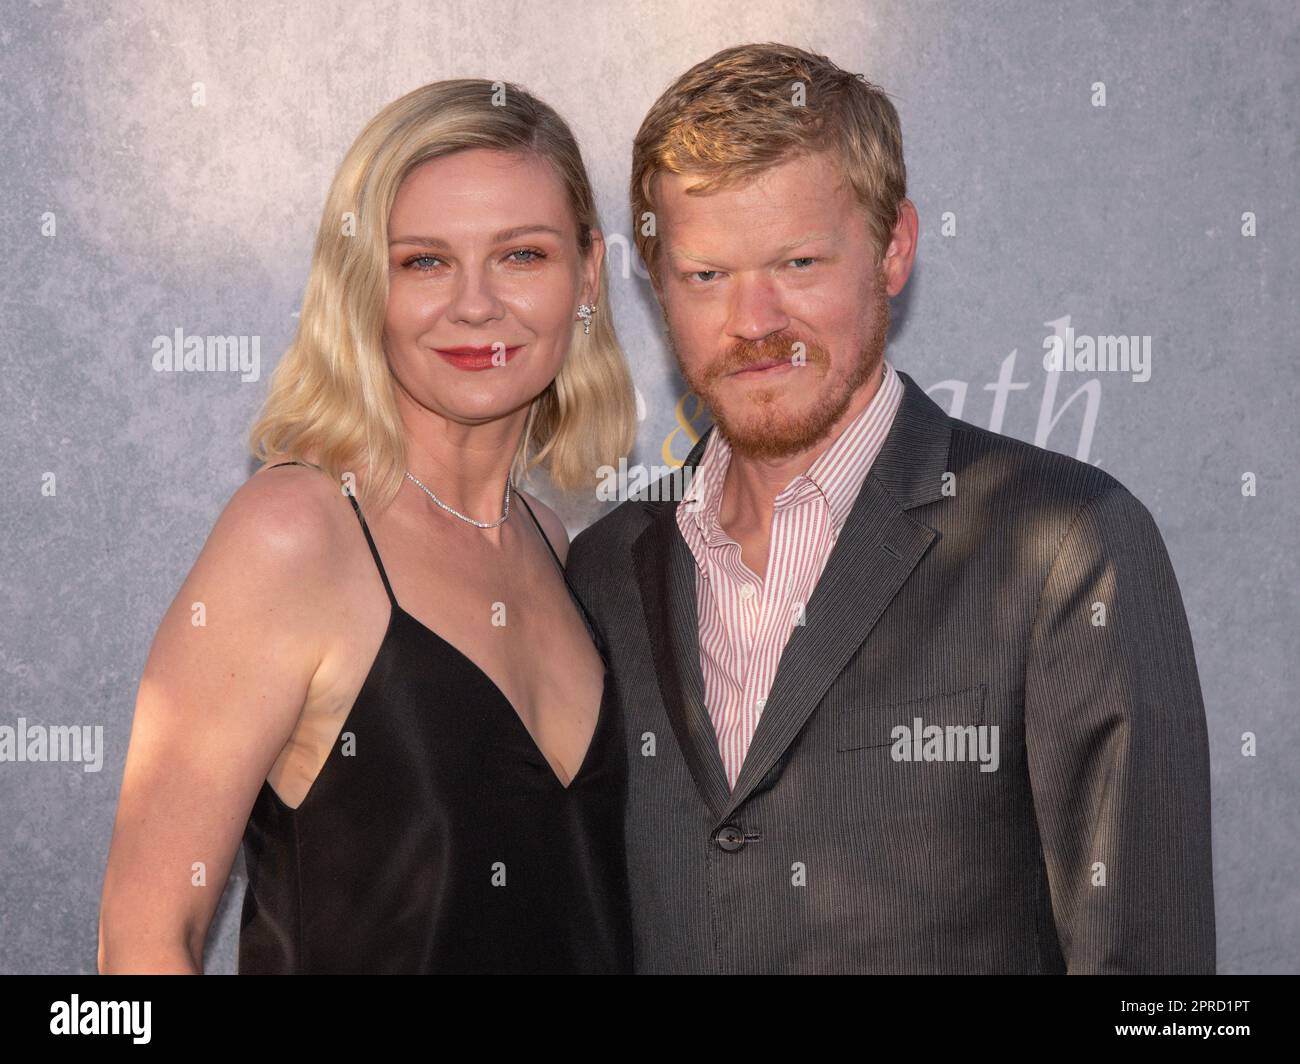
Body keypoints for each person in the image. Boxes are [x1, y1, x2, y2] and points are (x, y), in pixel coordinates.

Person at [565, 42, 1216, 974]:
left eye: (797, 261)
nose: (754, 321)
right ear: (656, 281)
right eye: (707, 275)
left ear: (895, 246)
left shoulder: (1068, 546)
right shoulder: (604, 568)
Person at [98, 79, 636, 974]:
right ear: (362, 285)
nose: (476, 305)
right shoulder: (296, 533)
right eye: (423, 261)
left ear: (587, 272)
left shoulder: (558, 546)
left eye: (521, 256)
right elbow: (144, 945)